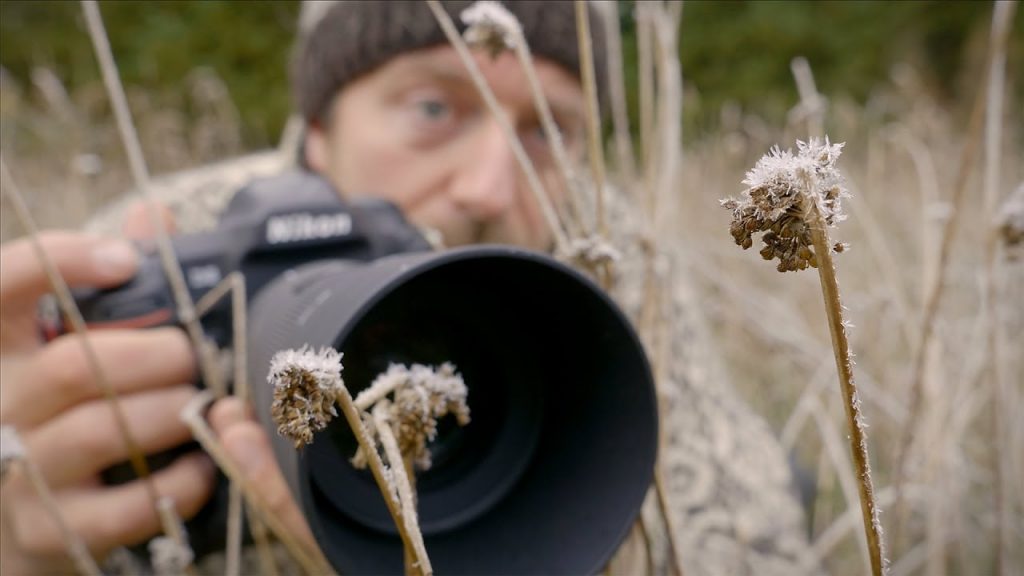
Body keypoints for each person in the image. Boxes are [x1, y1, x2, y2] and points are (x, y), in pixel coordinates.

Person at [0, 2, 814, 574]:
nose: (491, 186)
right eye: (435, 106)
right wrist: (22, 541)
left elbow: (756, 545)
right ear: (317, 130)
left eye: (548, 129)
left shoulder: (600, 260)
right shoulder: (157, 242)